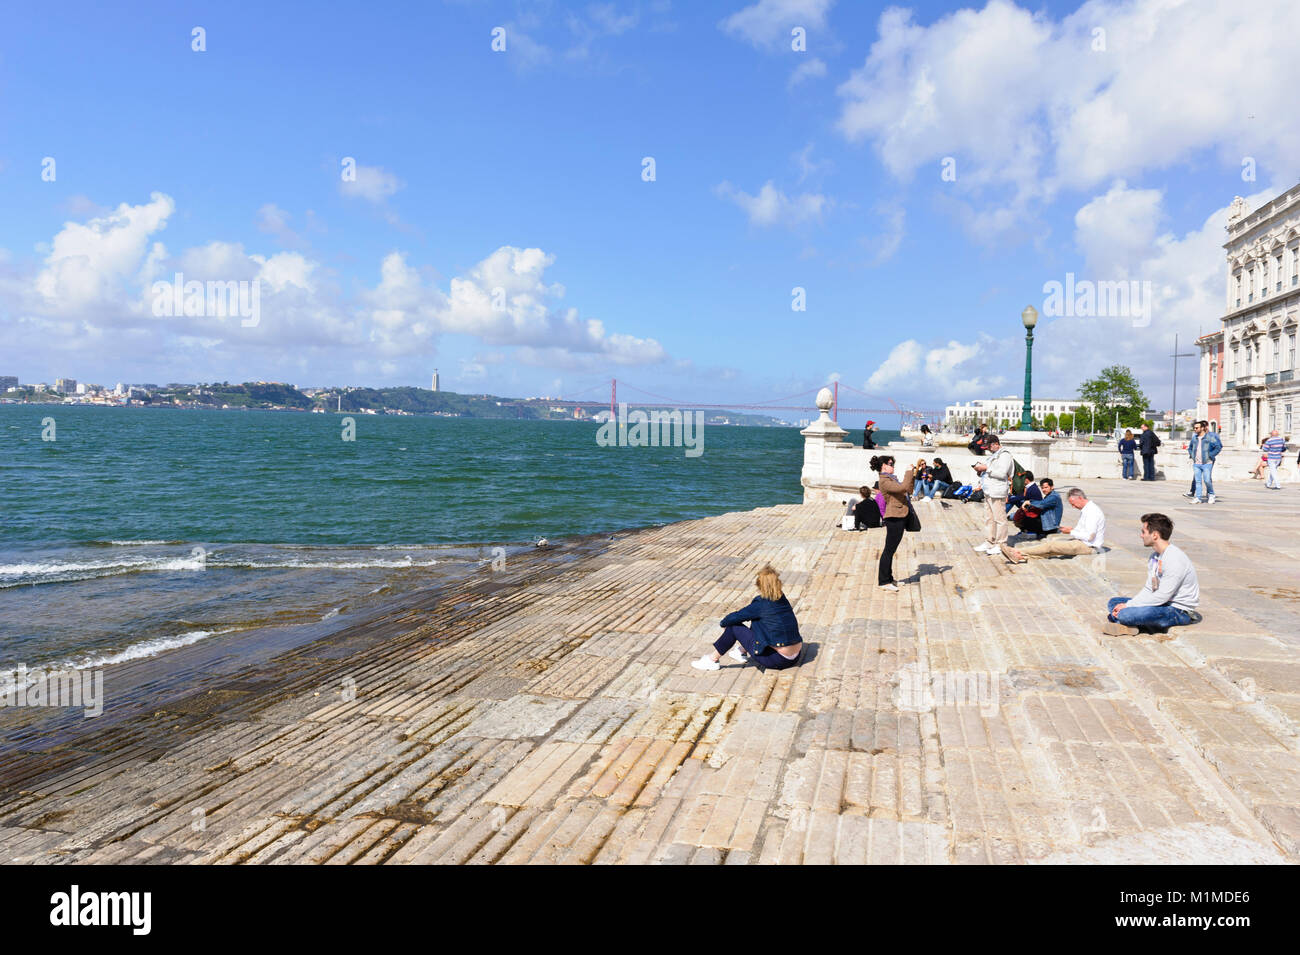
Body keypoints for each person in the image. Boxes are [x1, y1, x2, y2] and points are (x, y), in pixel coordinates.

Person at [1103, 513, 1202, 636]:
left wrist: (1129, 606)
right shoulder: (1155, 557)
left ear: (1155, 535)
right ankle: (1130, 624)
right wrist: (1128, 604)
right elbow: (1149, 588)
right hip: (1161, 604)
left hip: (1178, 611)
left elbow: (1162, 596)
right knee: (1114, 602)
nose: (1141, 536)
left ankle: (1125, 622)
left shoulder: (1174, 559)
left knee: (1125, 613)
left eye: (1143, 532)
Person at [692, 564, 804, 671]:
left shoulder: (760, 604)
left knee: (733, 627)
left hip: (777, 660)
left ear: (760, 585)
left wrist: (723, 623)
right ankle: (741, 651)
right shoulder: (782, 599)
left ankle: (712, 660)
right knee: (760, 621)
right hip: (795, 656)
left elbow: (736, 617)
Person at [1000, 487, 1104, 562]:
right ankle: (1020, 556)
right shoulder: (1087, 509)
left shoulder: (1092, 512)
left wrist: (1071, 532)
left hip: (1089, 546)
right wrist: (1072, 530)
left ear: (1080, 498)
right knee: (1050, 551)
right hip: (1083, 542)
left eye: (1073, 503)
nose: (1073, 507)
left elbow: (1090, 537)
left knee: (1051, 546)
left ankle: (1015, 551)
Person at [872, 454, 916, 592]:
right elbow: (902, 488)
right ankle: (883, 581)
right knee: (889, 550)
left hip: (900, 515)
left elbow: (908, 489)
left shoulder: (892, 479)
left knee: (891, 550)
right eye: (890, 464)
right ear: (883, 466)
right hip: (894, 517)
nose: (892, 466)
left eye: (892, 463)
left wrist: (912, 475)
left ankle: (889, 579)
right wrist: (908, 472)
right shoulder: (884, 481)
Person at [971, 435, 1014, 555]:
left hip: (998, 491)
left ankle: (1001, 544)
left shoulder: (1005, 455)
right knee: (989, 518)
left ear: (995, 444)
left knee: (1000, 519)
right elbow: (989, 470)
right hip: (989, 491)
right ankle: (990, 541)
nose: (988, 450)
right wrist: (980, 470)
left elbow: (1002, 473)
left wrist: (985, 468)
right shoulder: (993, 456)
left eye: (989, 447)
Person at [1187, 419, 1222, 504]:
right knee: (1198, 481)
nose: (1195, 429)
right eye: (1194, 428)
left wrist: (1211, 455)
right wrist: (1192, 455)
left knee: (1207, 480)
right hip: (1196, 464)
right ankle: (1198, 498)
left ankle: (1211, 494)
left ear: (1202, 428)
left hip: (1207, 463)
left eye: (1196, 428)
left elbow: (1218, 447)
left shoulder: (1209, 438)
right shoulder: (1194, 438)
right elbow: (1190, 448)